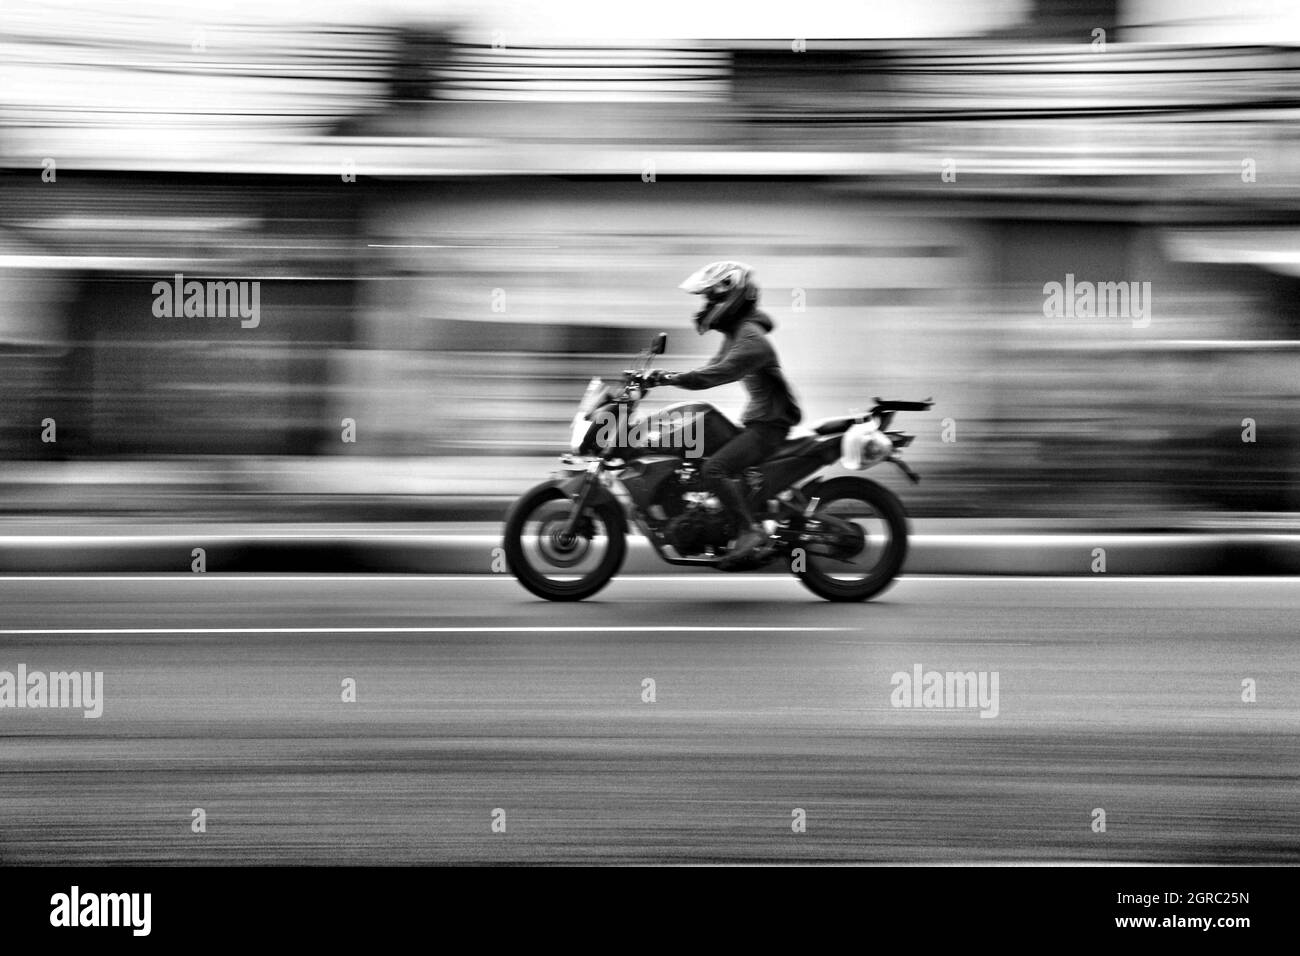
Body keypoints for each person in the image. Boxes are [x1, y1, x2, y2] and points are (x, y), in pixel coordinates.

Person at [645, 261, 802, 564]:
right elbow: (708, 369)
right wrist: (660, 376)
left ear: (730, 297)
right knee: (699, 451)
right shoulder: (736, 334)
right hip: (758, 423)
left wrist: (668, 378)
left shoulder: (751, 339)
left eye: (710, 298)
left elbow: (714, 375)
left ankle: (749, 531)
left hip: (768, 427)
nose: (705, 306)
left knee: (714, 469)